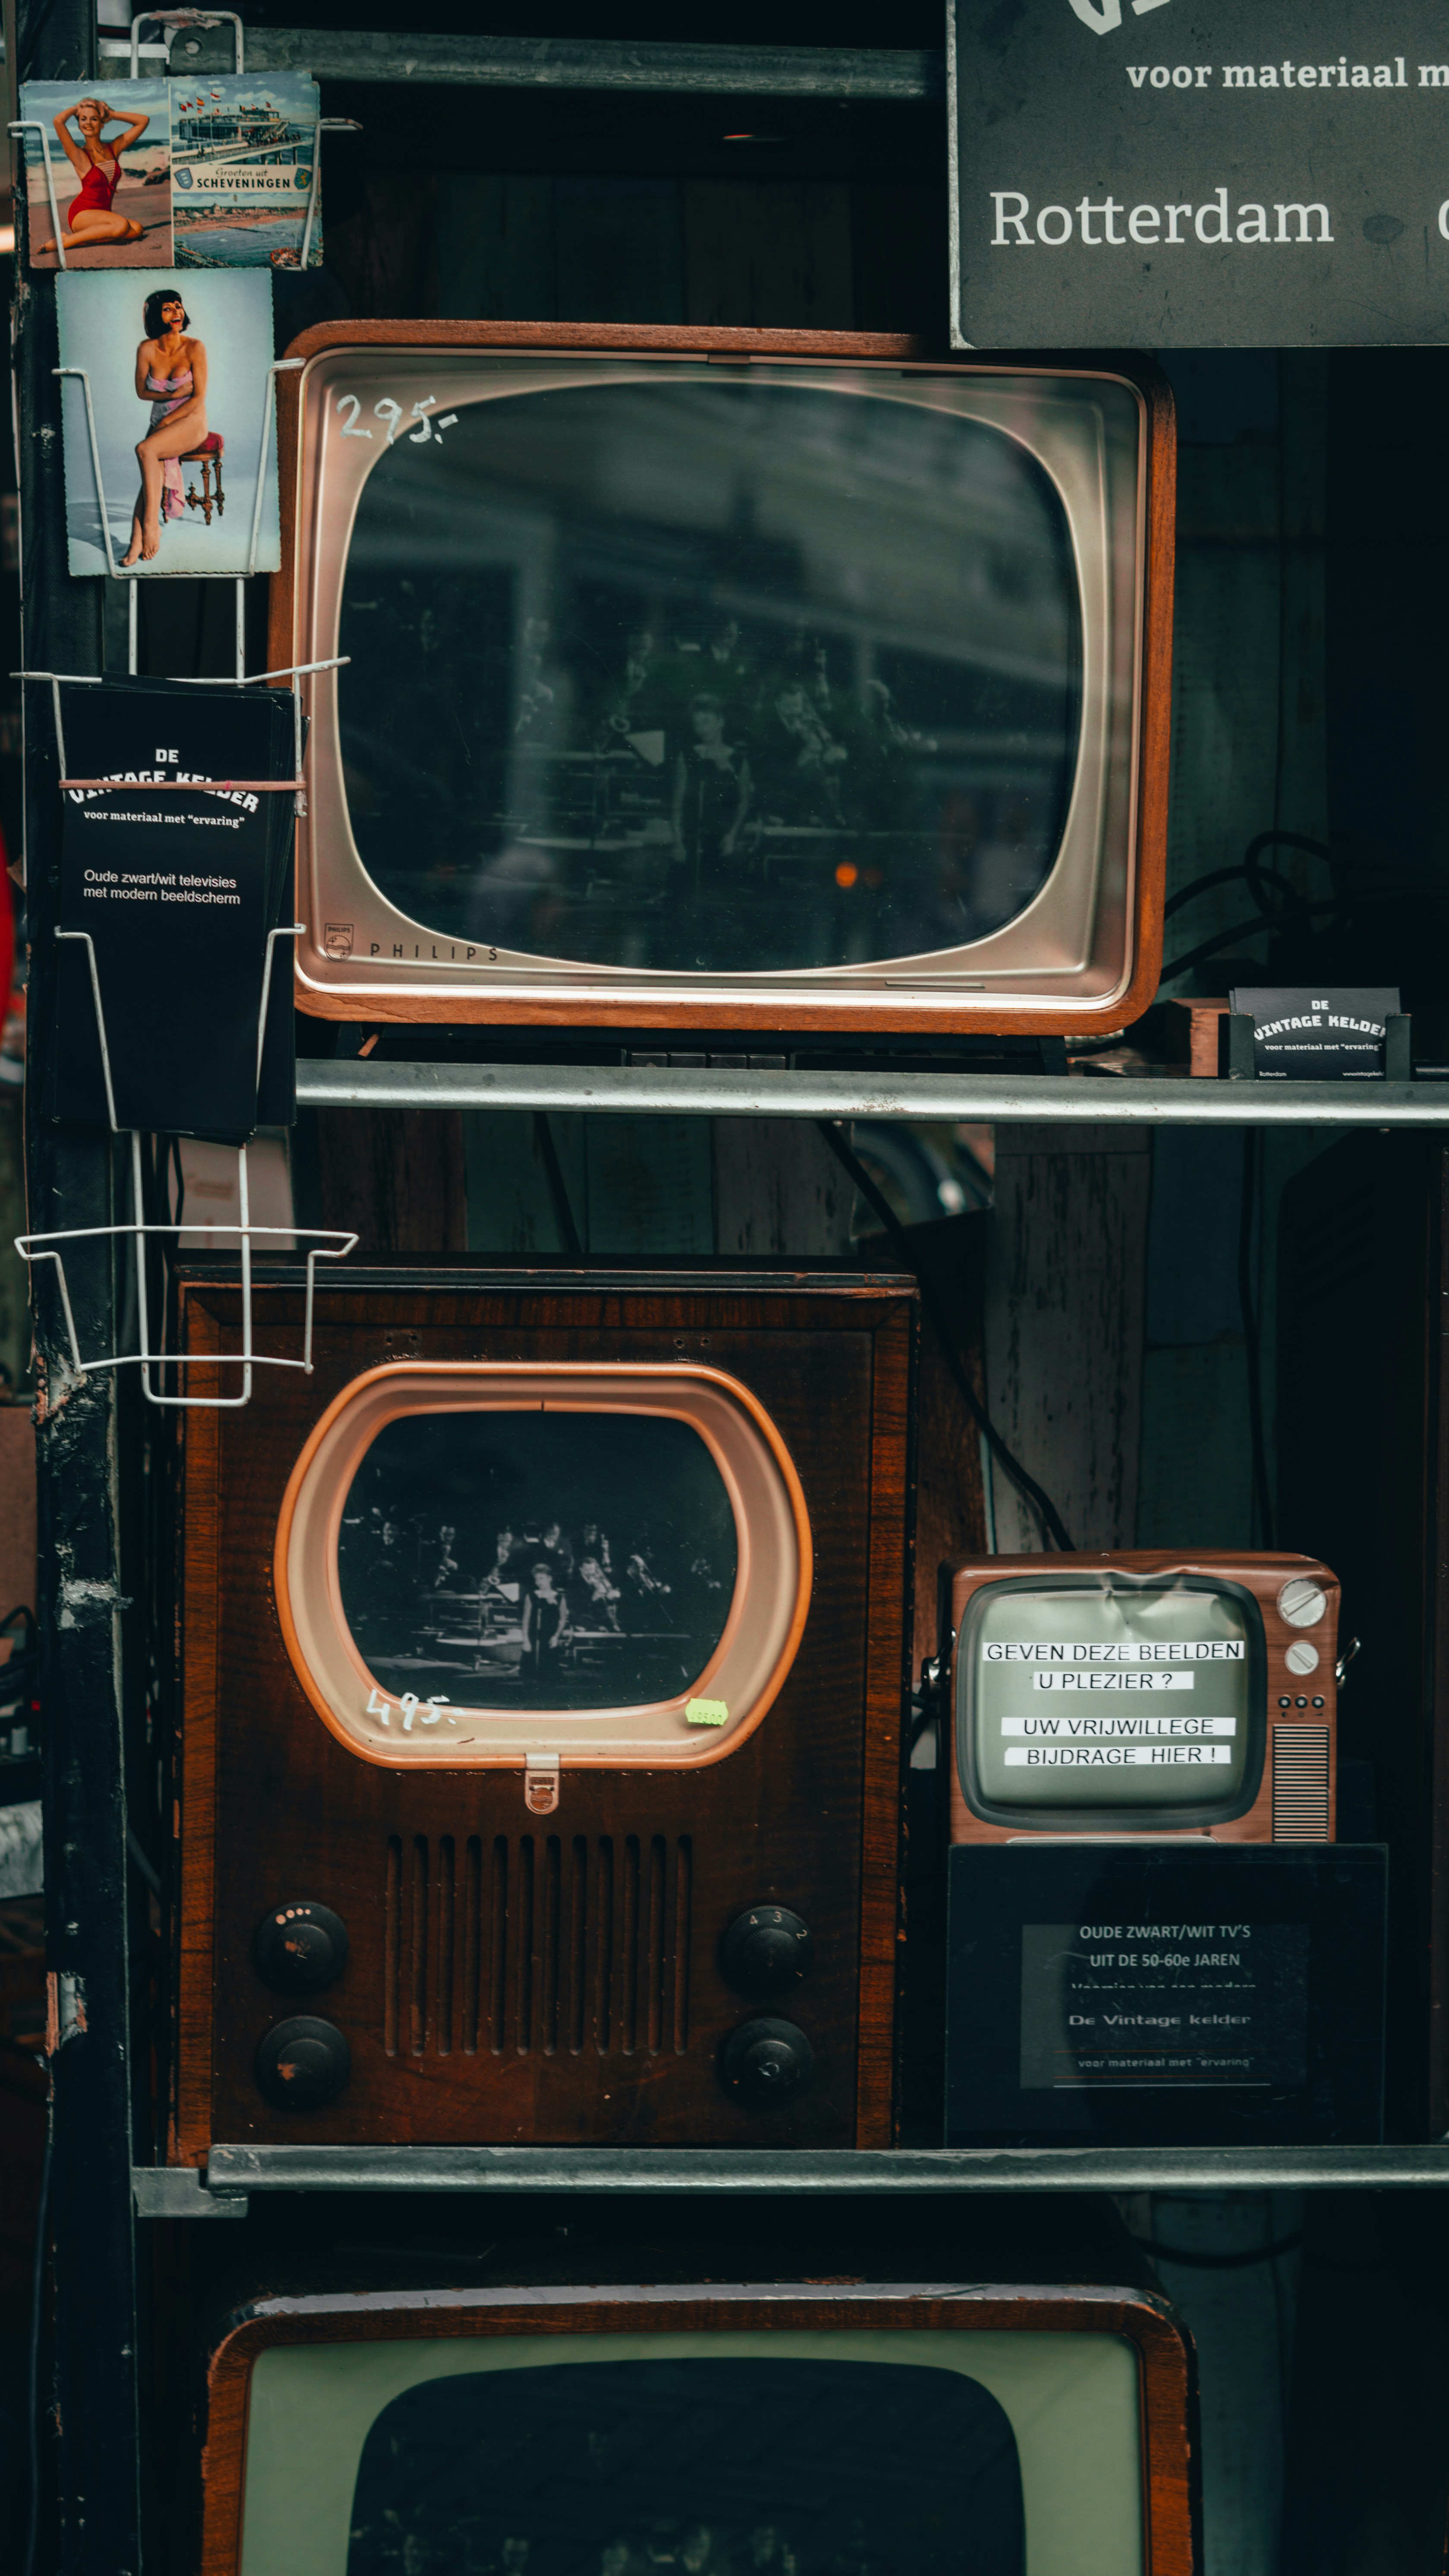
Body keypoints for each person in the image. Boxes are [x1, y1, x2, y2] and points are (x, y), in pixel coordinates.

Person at [121, 290, 208, 566]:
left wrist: (166, 423)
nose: (176, 313)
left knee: (145, 449)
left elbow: (198, 398)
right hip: (161, 420)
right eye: (168, 309)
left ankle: (150, 526)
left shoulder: (195, 348)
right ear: (156, 317)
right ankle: (136, 542)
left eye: (179, 307)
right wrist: (171, 395)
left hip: (190, 421)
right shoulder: (146, 349)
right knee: (151, 474)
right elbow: (141, 392)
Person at [671, 695, 751, 902]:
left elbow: (744, 803)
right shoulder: (687, 756)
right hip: (692, 840)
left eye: (706, 722)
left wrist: (732, 836)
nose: (701, 729)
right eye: (697, 724)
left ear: (720, 722)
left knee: (719, 901)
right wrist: (677, 842)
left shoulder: (738, 760)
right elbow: (678, 803)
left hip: (723, 842)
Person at [52, 98, 148, 252]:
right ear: (79, 124)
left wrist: (112, 114)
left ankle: (79, 240)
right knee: (121, 226)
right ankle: (67, 242)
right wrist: (76, 108)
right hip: (82, 215)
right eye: (83, 119)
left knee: (137, 229)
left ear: (102, 124)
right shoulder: (78, 155)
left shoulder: (113, 148)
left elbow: (143, 121)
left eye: (94, 119)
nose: (88, 123)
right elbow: (58, 121)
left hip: (104, 215)